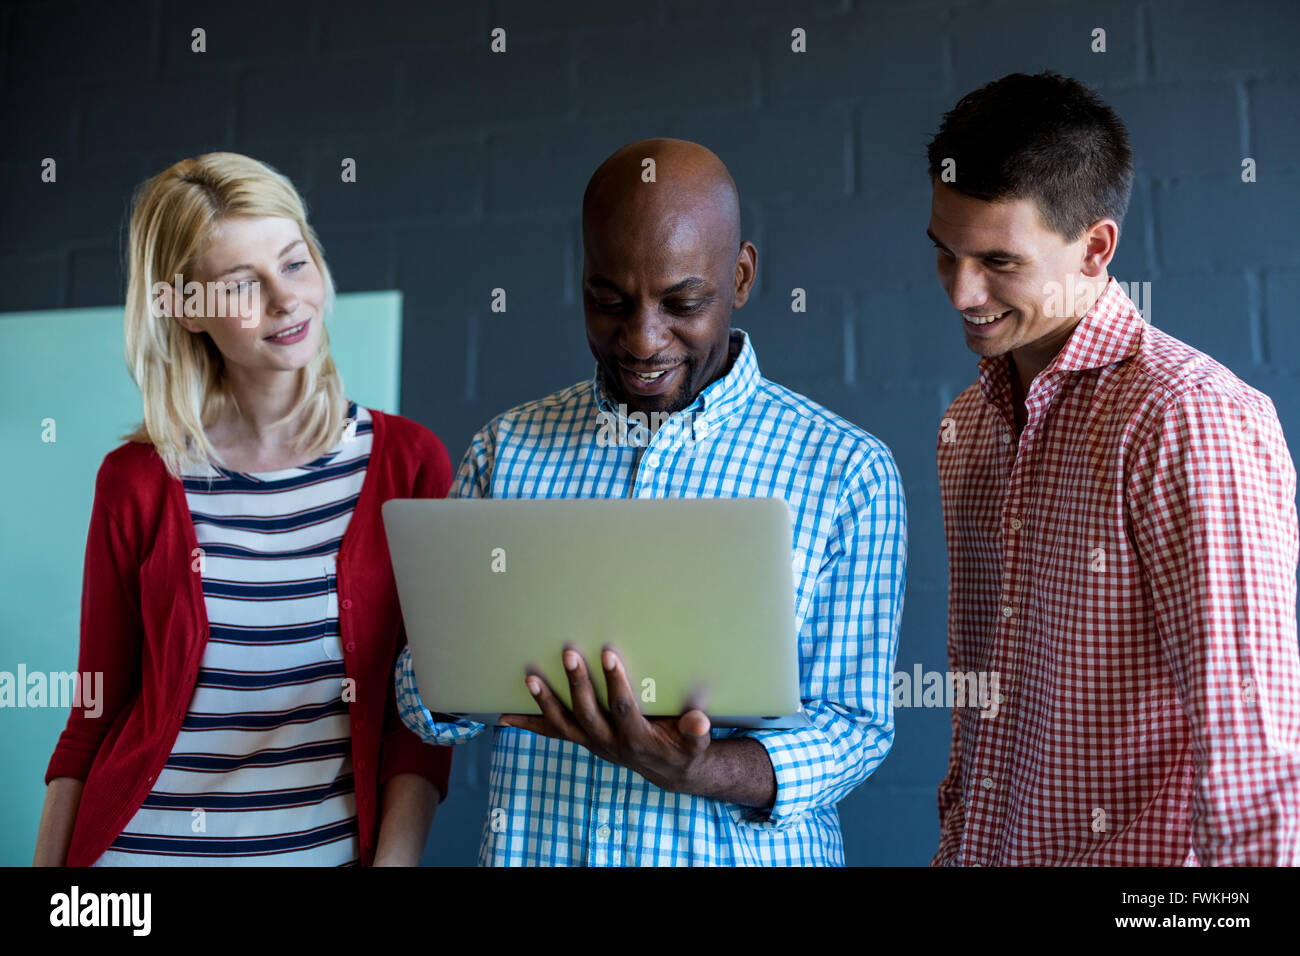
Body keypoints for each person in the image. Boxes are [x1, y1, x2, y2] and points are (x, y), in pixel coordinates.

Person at [395, 137, 907, 866]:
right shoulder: (506, 448)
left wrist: (699, 770)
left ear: (741, 275)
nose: (641, 338)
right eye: (608, 300)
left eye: (682, 303)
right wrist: (462, 674)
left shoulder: (846, 469)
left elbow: (854, 727)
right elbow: (418, 702)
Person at [34, 152, 452, 866]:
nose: (285, 300)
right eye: (241, 286)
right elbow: (93, 716)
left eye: (293, 264)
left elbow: (418, 726)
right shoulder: (136, 480)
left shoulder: (409, 462)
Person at [926, 72, 1300, 865]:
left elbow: (1253, 749)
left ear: (1095, 248)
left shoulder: (1187, 418)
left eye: (998, 260)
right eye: (946, 253)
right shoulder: (968, 426)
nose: (962, 291)